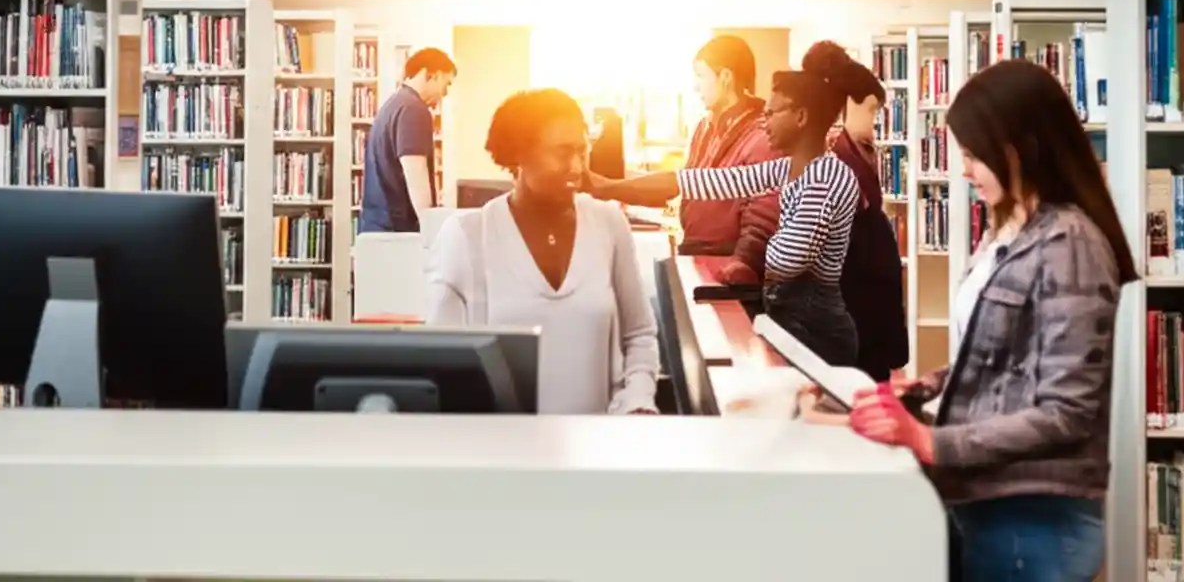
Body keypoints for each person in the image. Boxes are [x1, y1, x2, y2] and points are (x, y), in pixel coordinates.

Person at [846, 60, 1138, 582]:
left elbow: (1066, 410)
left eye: (972, 156)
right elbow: (1007, 361)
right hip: (993, 511)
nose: (964, 171)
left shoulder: (1070, 243)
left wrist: (932, 442)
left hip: (1035, 522)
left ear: (1016, 150)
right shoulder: (1009, 229)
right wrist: (931, 384)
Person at [589, 46, 869, 368]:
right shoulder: (787, 168)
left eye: (772, 113)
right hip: (789, 317)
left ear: (801, 117)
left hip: (815, 330)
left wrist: (758, 248)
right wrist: (605, 187)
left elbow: (785, 259)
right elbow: (699, 182)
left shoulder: (824, 178)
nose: (764, 122)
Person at [425, 89, 660, 415]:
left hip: (595, 451)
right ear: (518, 155)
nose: (577, 166)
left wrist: (637, 400)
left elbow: (639, 335)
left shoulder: (608, 224)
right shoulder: (466, 237)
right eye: (563, 153)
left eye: (582, 150)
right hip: (502, 453)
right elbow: (441, 363)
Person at [813, 42, 909, 381]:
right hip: (855, 316)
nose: (874, 122)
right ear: (846, 107)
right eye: (870, 111)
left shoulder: (851, 157)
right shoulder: (841, 165)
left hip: (860, 315)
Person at [681, 35, 781, 284]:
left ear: (725, 77)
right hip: (697, 259)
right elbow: (688, 183)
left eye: (701, 76)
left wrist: (741, 266)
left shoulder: (762, 136)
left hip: (728, 272)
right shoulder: (704, 128)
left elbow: (764, 215)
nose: (696, 86)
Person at [360, 48, 456, 233]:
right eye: (446, 84)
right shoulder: (414, 110)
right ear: (431, 75)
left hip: (377, 229)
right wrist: (432, 232)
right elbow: (416, 173)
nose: (445, 93)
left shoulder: (393, 105)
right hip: (399, 234)